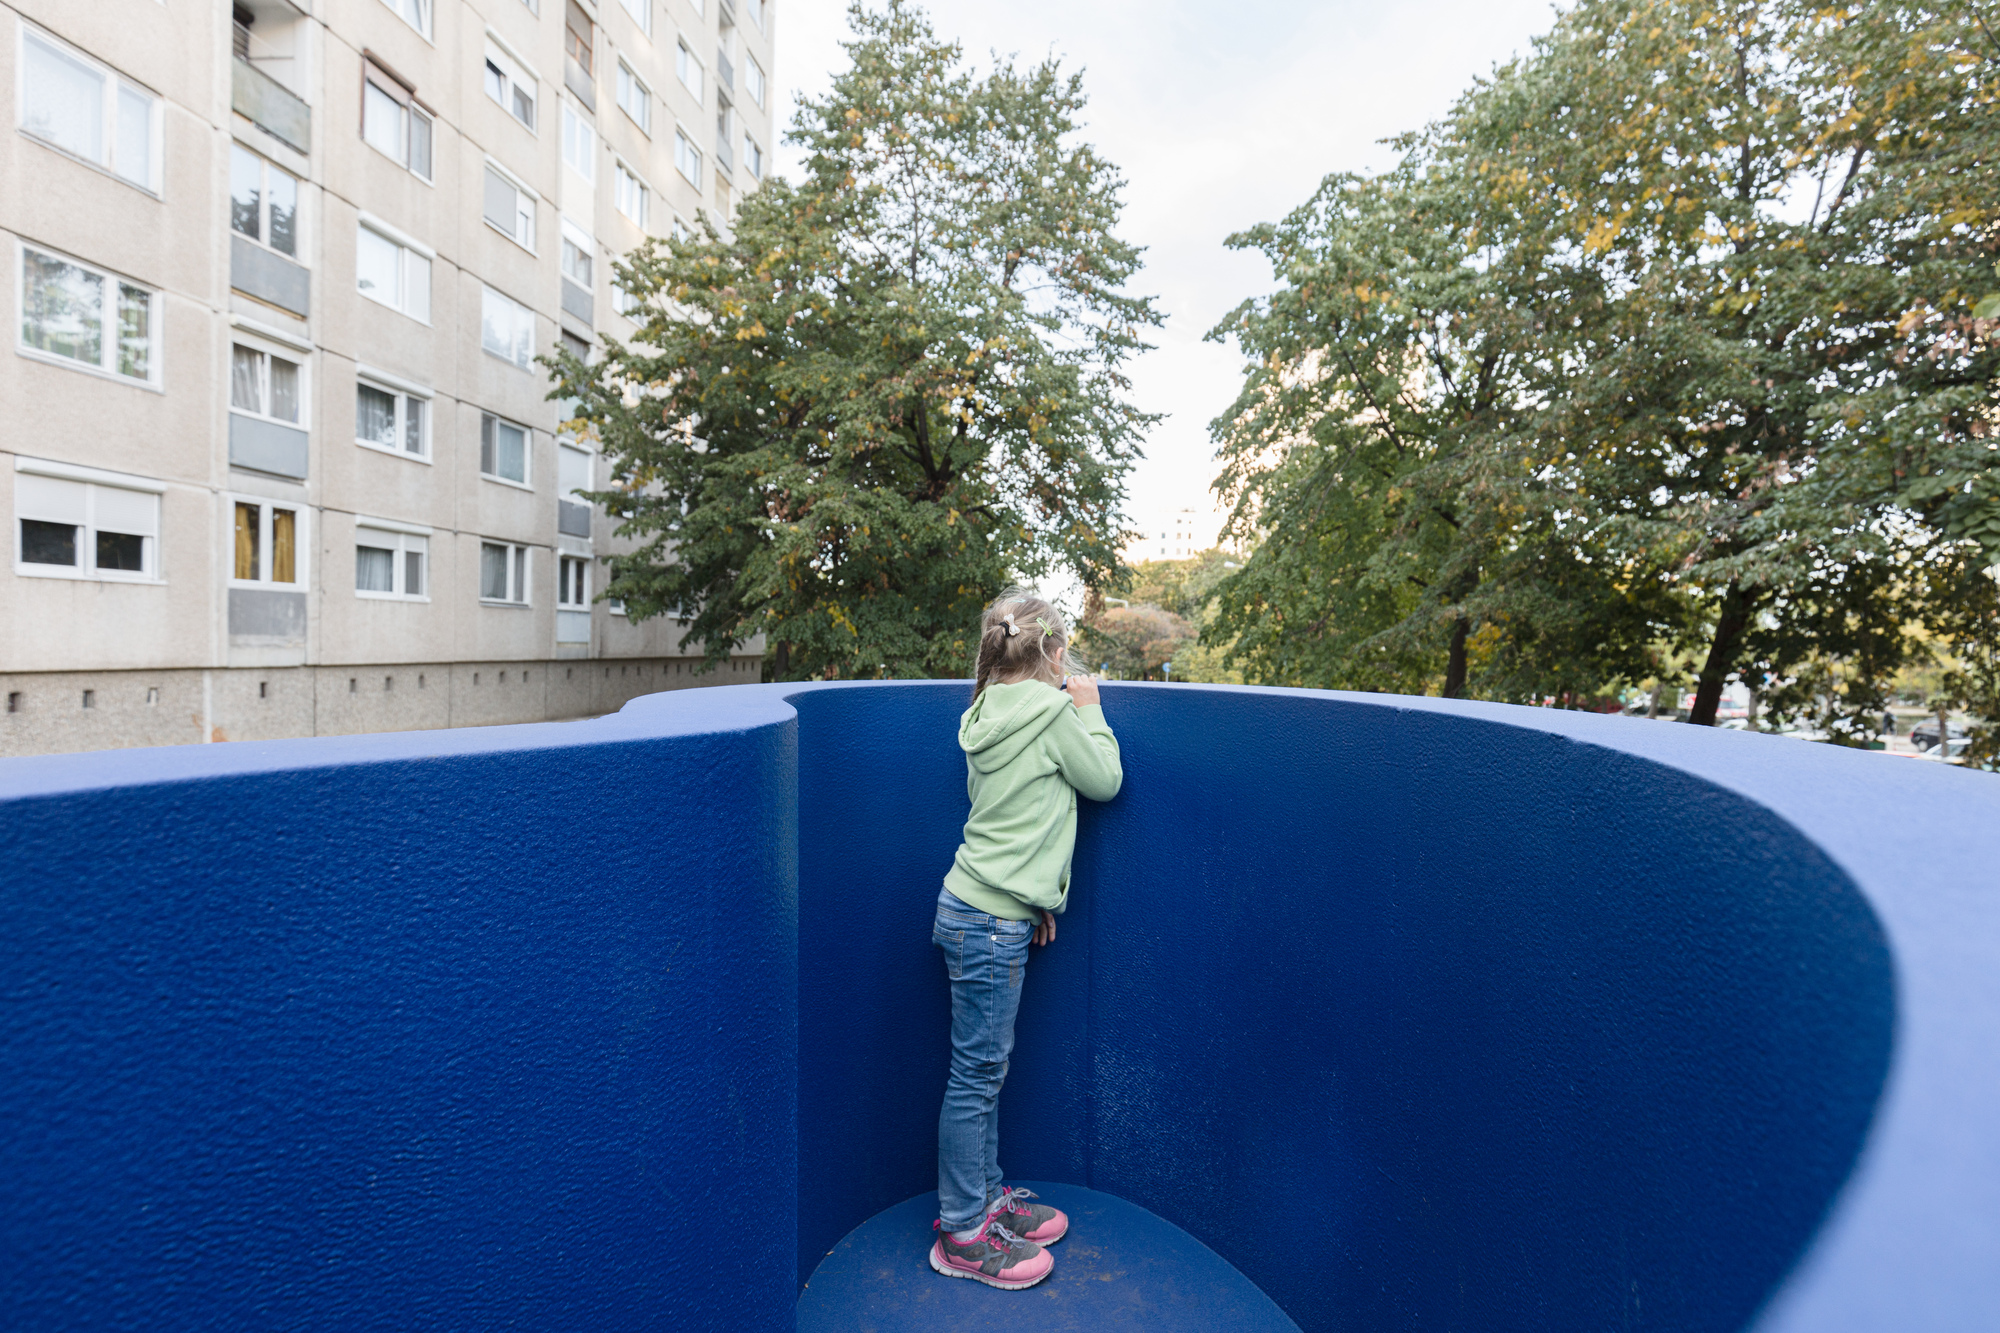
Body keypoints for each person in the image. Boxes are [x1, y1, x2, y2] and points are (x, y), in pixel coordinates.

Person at [927, 590, 1123, 1290]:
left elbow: (1017, 814)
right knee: (976, 1076)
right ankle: (963, 1231)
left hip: (977, 905)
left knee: (982, 1072)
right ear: (1053, 653)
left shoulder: (982, 711)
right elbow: (1103, 779)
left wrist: (1034, 896)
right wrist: (1089, 705)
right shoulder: (1053, 712)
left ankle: (982, 1200)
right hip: (989, 922)